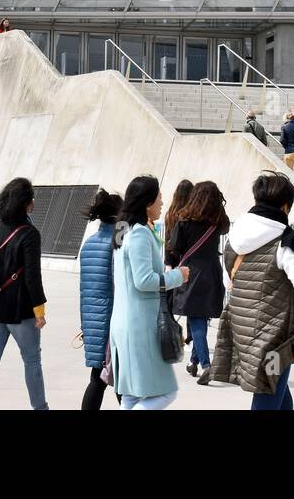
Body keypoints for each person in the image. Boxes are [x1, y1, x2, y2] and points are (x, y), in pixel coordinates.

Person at [209, 171, 294, 410]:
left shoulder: (236, 235)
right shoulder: (283, 239)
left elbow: (230, 281)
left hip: (242, 328)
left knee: (279, 392)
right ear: (286, 207)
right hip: (275, 336)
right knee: (268, 397)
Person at [110, 175, 190, 410]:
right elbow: (143, 280)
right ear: (147, 203)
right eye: (159, 199)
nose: (163, 203)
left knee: (132, 395)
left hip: (125, 323)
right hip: (140, 326)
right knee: (166, 393)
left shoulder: (123, 230)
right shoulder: (140, 234)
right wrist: (179, 276)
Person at [0, 177, 48, 410]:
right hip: (20, 310)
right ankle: (41, 408)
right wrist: (40, 311)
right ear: (26, 204)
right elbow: (33, 278)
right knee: (32, 361)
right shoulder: (30, 234)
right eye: (31, 199)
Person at [164, 180, 229, 384]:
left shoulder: (184, 220)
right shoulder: (217, 222)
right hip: (212, 271)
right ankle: (194, 362)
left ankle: (206, 365)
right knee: (201, 317)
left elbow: (174, 246)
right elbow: (225, 227)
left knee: (196, 319)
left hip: (190, 273)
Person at [78, 188, 122, 411]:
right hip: (111, 320)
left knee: (99, 377)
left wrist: (84, 324)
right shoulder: (116, 245)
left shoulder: (88, 244)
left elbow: (83, 291)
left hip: (92, 320)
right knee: (121, 381)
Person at [162, 179, 194, 254]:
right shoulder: (192, 216)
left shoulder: (170, 214)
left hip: (174, 257)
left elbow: (167, 239)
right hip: (188, 257)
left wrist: (168, 262)